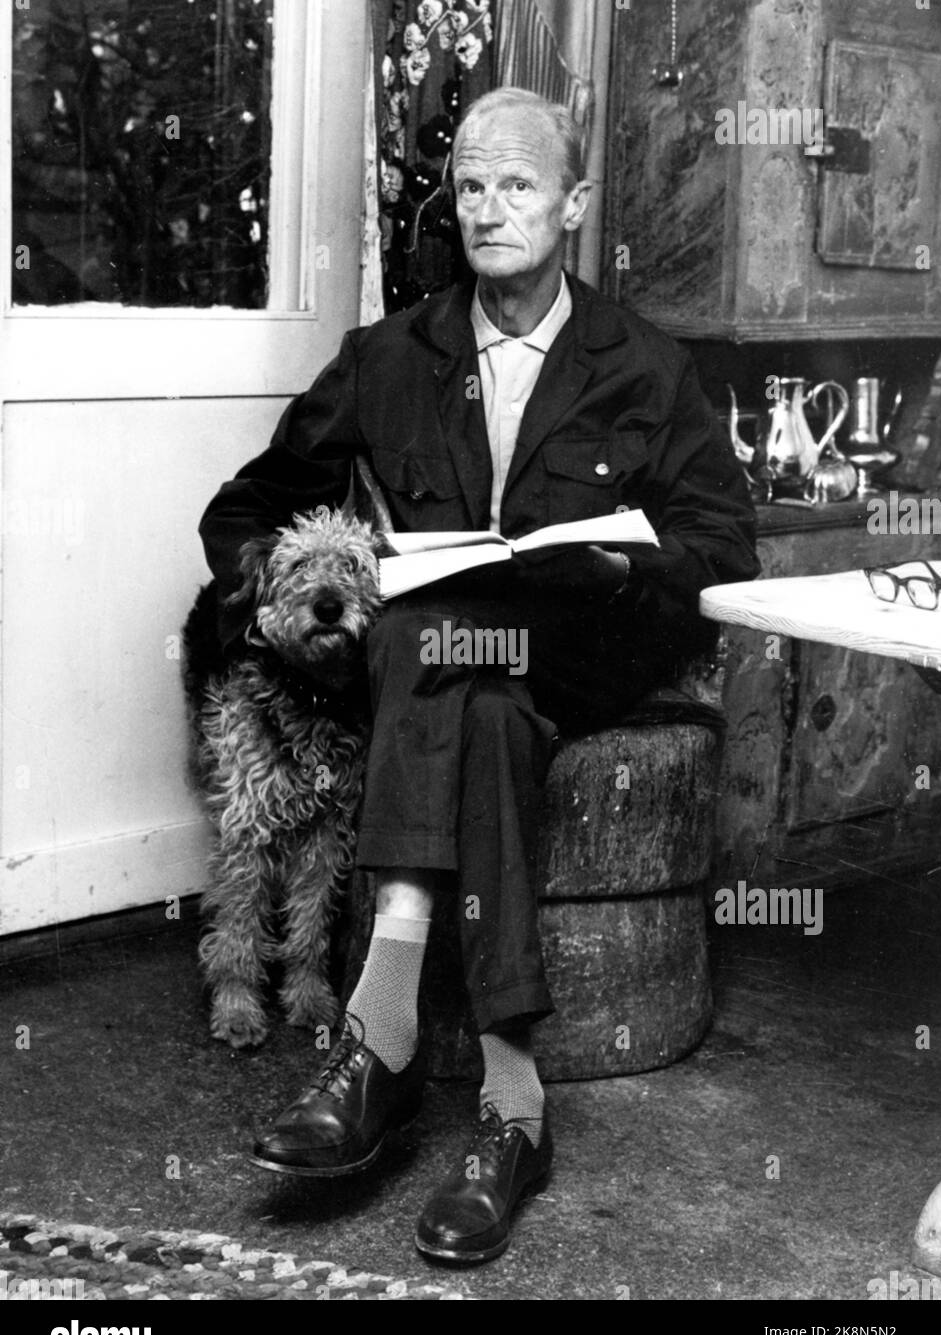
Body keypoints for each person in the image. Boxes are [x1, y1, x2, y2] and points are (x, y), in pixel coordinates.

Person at [198, 86, 759, 1264]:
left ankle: (376, 1044)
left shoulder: (647, 367)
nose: (488, 208)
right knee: (461, 670)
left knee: (443, 645)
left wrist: (622, 561)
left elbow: (722, 544)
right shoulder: (393, 356)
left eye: (516, 184)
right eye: (467, 185)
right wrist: (269, 587)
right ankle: (514, 1105)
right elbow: (246, 503)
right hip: (463, 672)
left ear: (574, 203)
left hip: (587, 645)